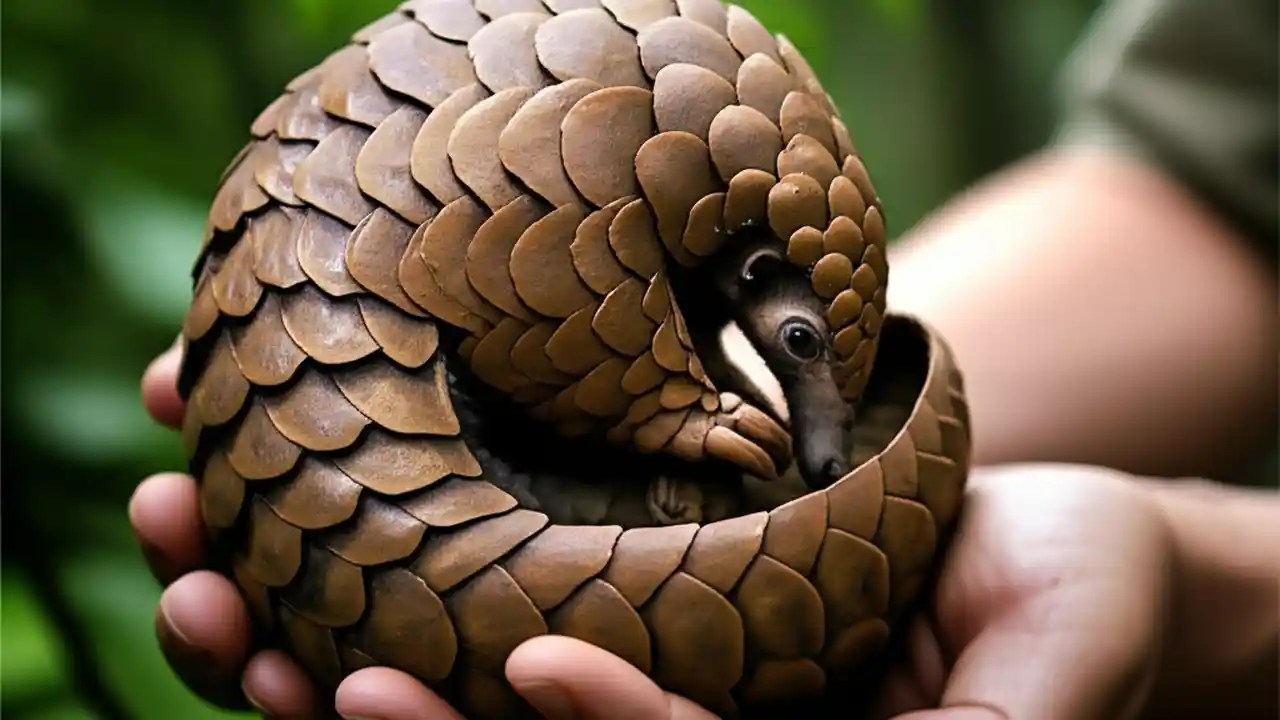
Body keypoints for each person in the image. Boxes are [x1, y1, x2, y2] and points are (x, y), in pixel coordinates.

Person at [130, 0, 1278, 717]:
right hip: (350, 381)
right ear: (735, 237)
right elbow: (1210, 184)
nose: (807, 425)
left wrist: (1215, 589)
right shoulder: (573, 207)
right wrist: (709, 443)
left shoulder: (661, 207)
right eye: (790, 347)